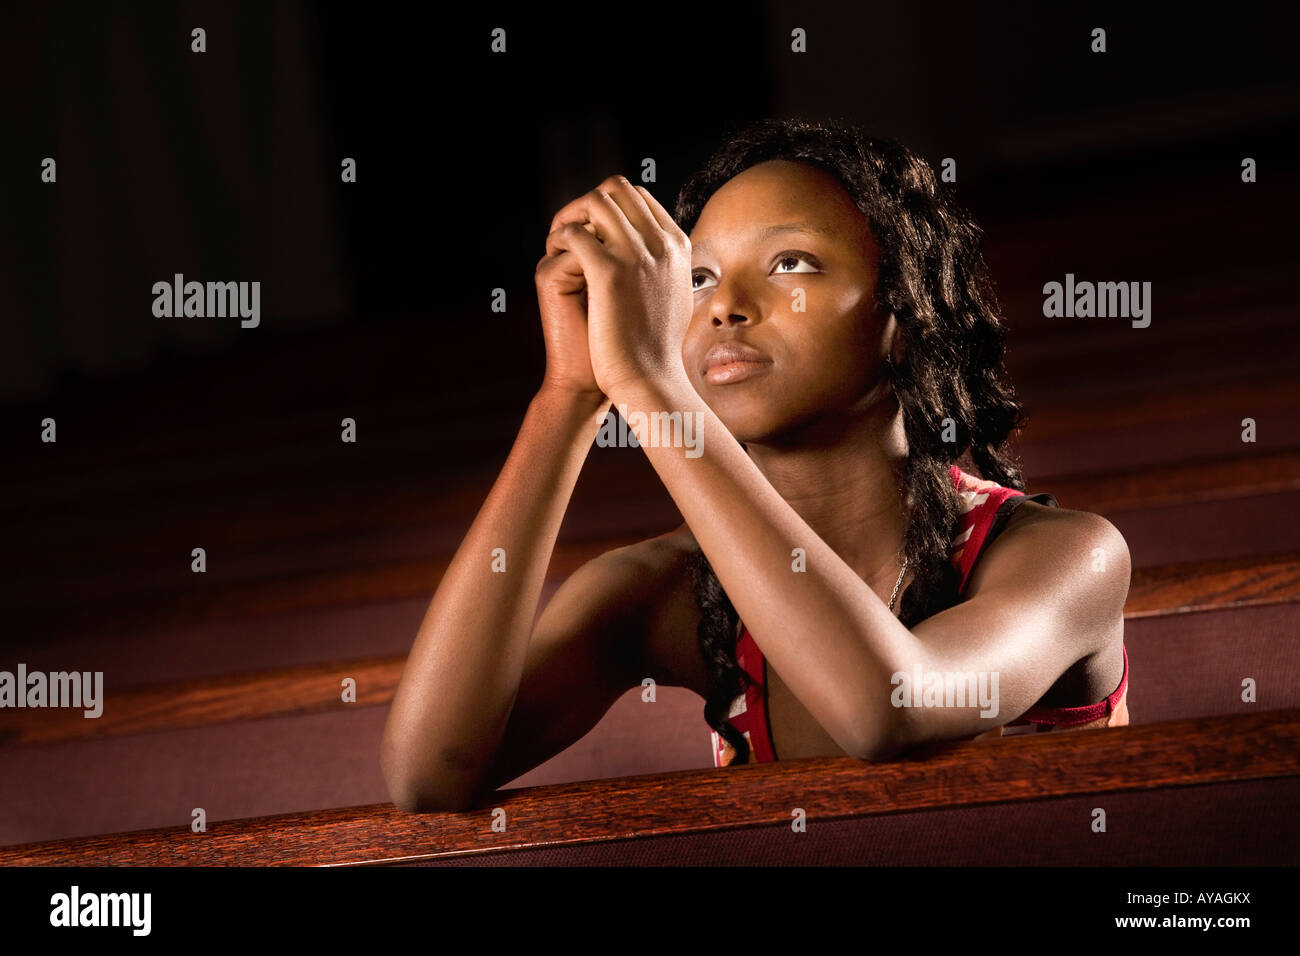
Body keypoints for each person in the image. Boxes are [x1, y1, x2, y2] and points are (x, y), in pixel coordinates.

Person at [380, 117, 1131, 812]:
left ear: (902, 316)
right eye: (698, 279)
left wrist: (651, 386)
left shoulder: (1067, 558)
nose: (723, 307)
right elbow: (429, 776)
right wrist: (570, 394)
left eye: (790, 263)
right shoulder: (664, 592)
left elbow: (890, 709)